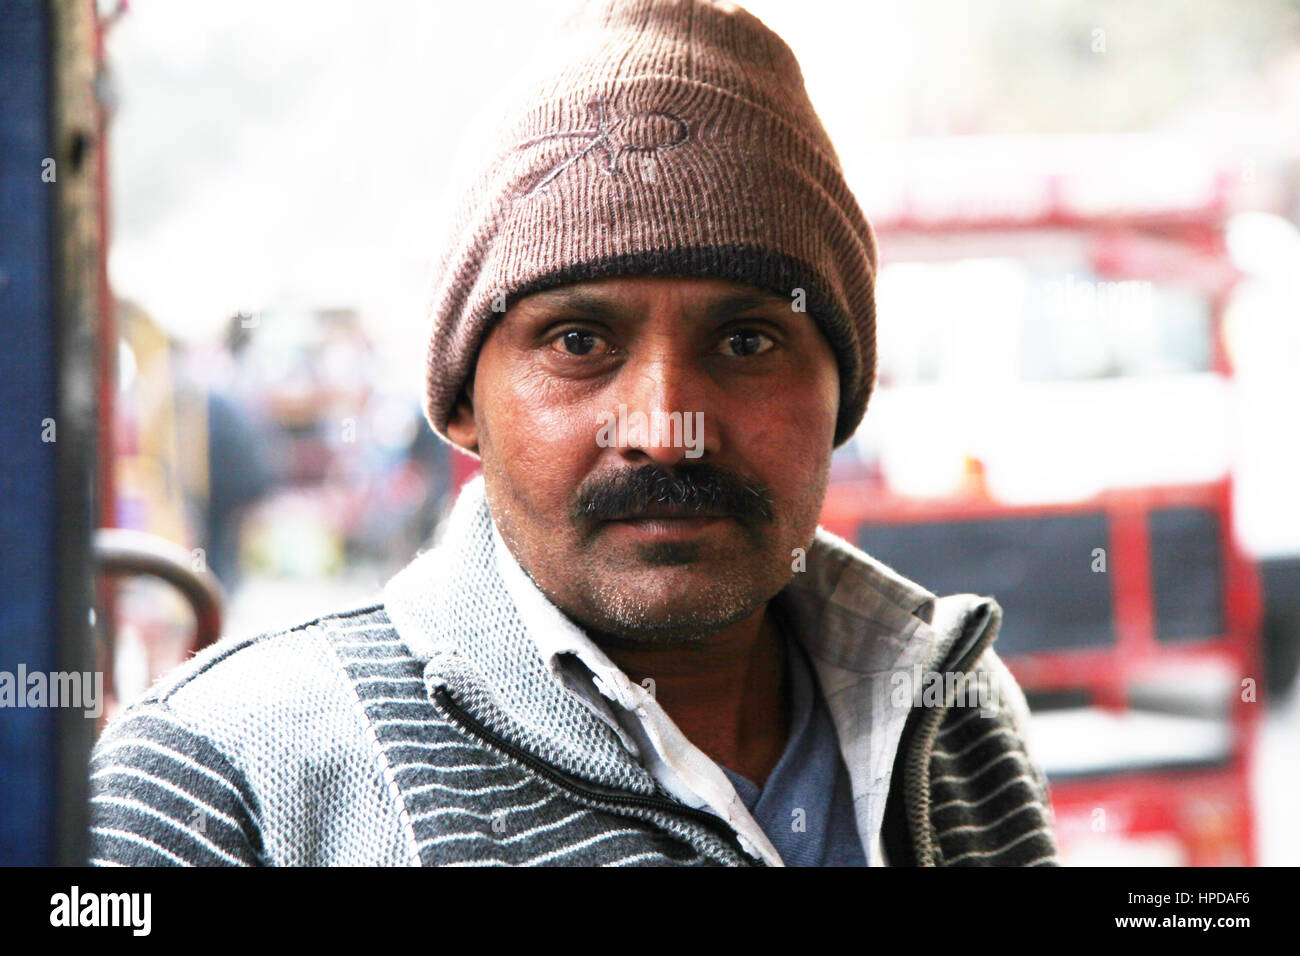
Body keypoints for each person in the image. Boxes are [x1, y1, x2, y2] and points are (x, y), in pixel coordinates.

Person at [87, 0, 1058, 867]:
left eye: (748, 338)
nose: (665, 429)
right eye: (580, 340)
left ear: (843, 391)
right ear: (462, 400)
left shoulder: (954, 717)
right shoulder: (223, 788)